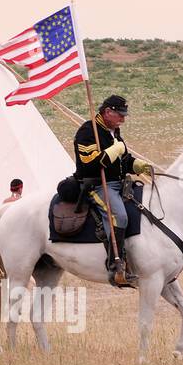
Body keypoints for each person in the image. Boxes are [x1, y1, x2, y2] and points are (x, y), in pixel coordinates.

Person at [73, 94, 154, 287]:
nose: (123, 119)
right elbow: (90, 163)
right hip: (98, 185)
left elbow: (122, 161)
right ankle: (116, 267)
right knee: (120, 217)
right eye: (120, 115)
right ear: (107, 112)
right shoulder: (87, 131)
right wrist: (114, 151)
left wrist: (138, 165)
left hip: (118, 183)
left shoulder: (113, 130)